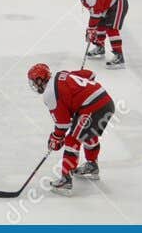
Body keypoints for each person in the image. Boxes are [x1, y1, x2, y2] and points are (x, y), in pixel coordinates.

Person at [28, 62, 115, 193]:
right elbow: (90, 74)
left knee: (72, 140)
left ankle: (66, 180)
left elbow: (63, 123)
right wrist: (77, 91)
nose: (34, 85)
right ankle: (92, 166)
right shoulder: (61, 74)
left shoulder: (50, 94)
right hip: (107, 103)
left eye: (34, 82)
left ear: (40, 80)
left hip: (92, 107)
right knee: (87, 133)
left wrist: (56, 137)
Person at [69, 0, 128, 66]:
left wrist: (90, 29)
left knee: (111, 29)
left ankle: (119, 56)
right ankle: (100, 48)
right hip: (105, 5)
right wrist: (91, 29)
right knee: (100, 26)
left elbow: (95, 14)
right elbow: (95, 12)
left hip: (117, 2)